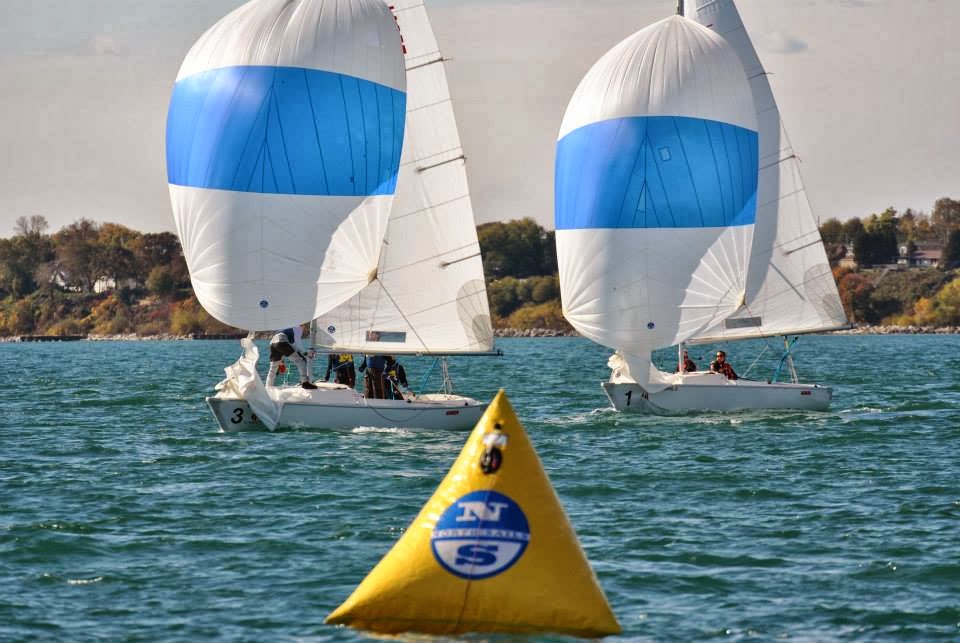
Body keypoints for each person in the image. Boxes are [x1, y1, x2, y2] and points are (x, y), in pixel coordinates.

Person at [266, 323, 317, 389]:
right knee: (301, 361)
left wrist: (304, 353)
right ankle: (305, 383)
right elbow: (298, 344)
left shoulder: (288, 327)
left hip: (272, 343)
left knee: (273, 368)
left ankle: (268, 387)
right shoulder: (297, 328)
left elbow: (292, 346)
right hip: (282, 341)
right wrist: (306, 353)